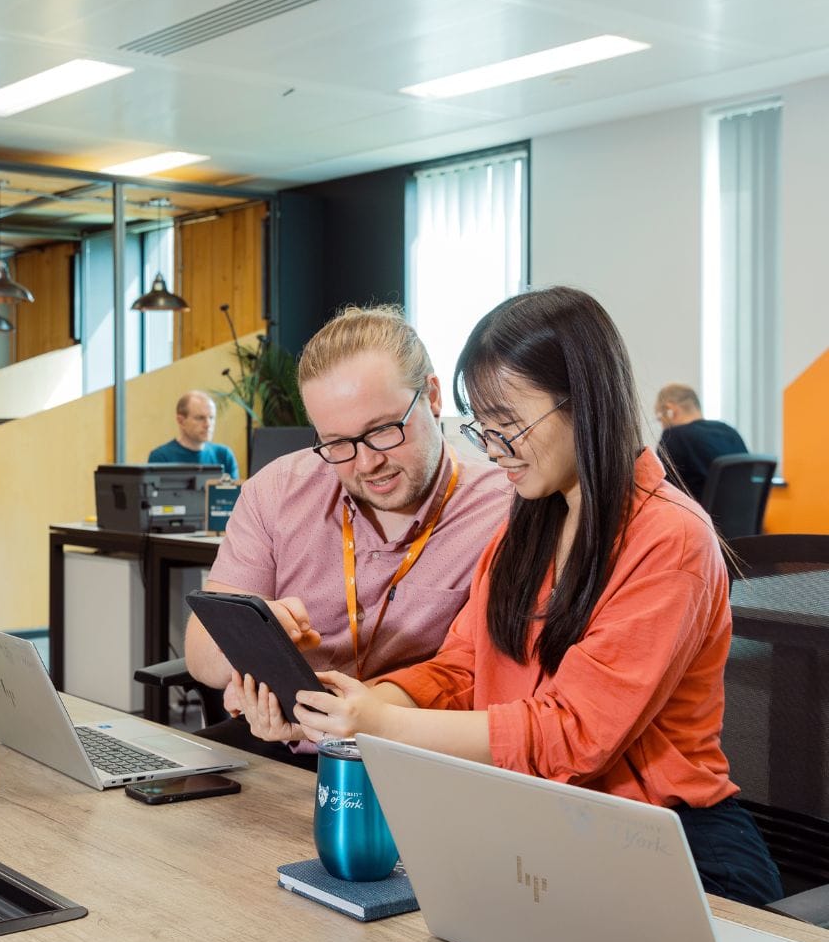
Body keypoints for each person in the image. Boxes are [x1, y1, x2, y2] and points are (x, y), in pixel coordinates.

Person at [241, 287, 782, 908]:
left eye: (509, 428)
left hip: (669, 842)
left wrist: (381, 723)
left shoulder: (670, 538)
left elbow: (575, 736)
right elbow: (461, 669)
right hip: (539, 823)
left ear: (585, 402)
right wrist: (351, 705)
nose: (493, 450)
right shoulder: (529, 523)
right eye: (483, 429)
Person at [184, 305, 513, 769]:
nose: (365, 464)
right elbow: (202, 656)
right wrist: (255, 636)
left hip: (419, 759)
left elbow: (498, 688)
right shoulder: (278, 490)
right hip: (282, 741)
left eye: (383, 431)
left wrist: (343, 716)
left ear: (433, 396)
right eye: (336, 443)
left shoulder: (506, 510)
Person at [655, 383, 747, 502]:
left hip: (698, 518)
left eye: (659, 417)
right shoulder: (729, 431)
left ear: (670, 410)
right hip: (744, 517)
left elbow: (660, 488)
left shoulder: (674, 436)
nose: (661, 424)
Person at [149, 390, 239, 478]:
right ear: (181, 421)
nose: (208, 424)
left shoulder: (224, 455)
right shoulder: (161, 458)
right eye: (200, 418)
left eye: (211, 418)